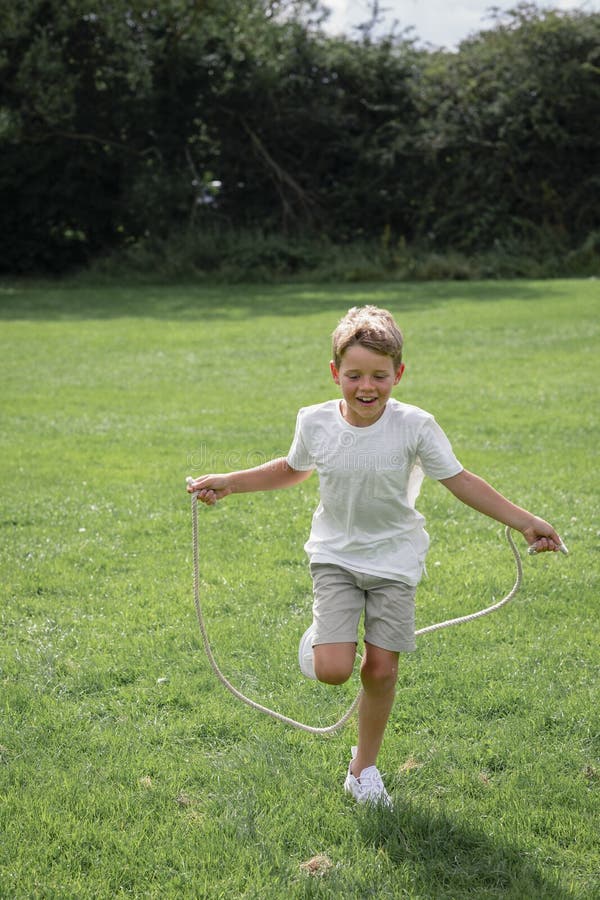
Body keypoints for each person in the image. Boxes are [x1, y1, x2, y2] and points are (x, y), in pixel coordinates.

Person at [187, 305, 564, 807]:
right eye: (355, 375)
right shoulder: (314, 421)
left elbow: (461, 481)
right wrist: (229, 482)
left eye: (380, 376)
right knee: (334, 671)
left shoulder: (416, 427)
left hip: (395, 560)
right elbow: (292, 468)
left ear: (399, 374)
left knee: (381, 669)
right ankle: (324, 639)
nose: (368, 386)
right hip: (335, 556)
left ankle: (362, 769)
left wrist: (524, 520)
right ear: (335, 373)